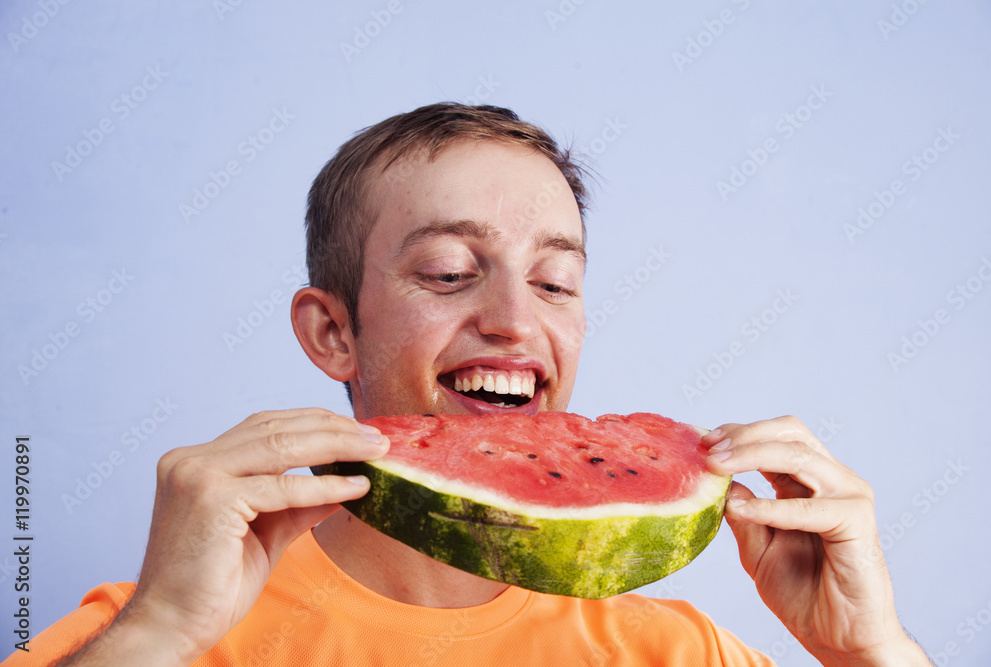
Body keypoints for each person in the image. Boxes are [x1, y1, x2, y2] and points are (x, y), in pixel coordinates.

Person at [10, 103, 930, 666]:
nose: (515, 320)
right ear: (333, 332)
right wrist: (157, 632)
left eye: (555, 283)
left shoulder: (675, 651)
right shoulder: (148, 631)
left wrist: (866, 651)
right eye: (450, 272)